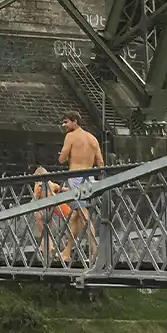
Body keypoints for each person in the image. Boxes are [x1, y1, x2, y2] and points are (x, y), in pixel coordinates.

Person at [57, 111, 104, 264]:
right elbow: (100, 164)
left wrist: (65, 154)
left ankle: (95, 250)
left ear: (75, 121)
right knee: (75, 216)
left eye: (66, 122)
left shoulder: (70, 136)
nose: (64, 125)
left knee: (83, 215)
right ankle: (67, 252)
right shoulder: (93, 139)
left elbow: (62, 159)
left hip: (76, 177)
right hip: (89, 177)